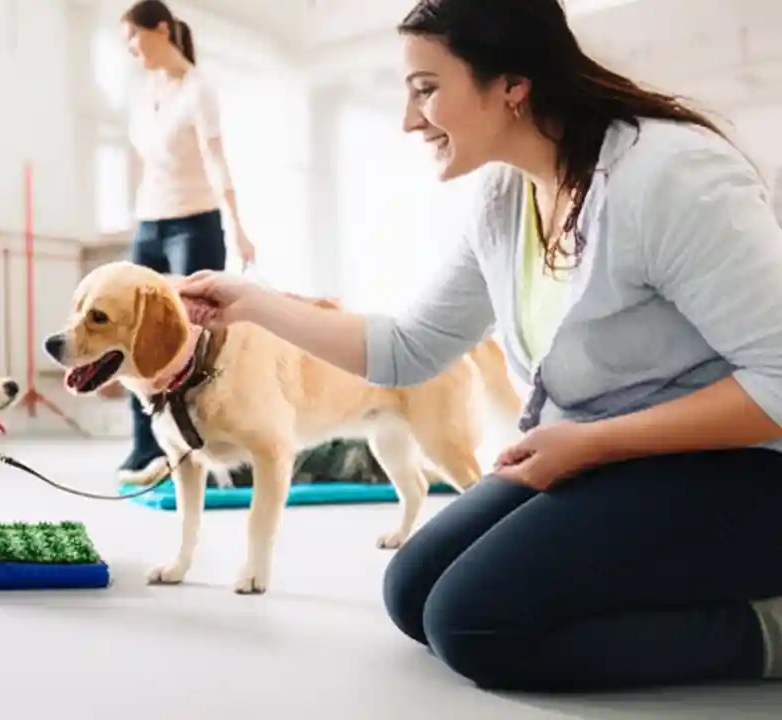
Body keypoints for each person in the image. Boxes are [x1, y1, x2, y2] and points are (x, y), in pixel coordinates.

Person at [175, 0, 782, 694]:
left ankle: (765, 630)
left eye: (426, 89)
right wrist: (252, 304)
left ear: (512, 85)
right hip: (614, 461)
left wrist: (591, 444)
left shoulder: (670, 178)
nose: (409, 120)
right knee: (413, 592)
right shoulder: (505, 196)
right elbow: (410, 347)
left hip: (742, 471)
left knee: (474, 624)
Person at [117, 0, 256, 480]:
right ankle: (145, 448)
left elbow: (216, 160)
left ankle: (206, 444)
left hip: (194, 222)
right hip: (149, 223)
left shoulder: (199, 89)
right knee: (133, 331)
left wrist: (237, 225)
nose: (130, 50)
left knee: (195, 334)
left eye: (133, 38)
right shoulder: (143, 92)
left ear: (160, 29)